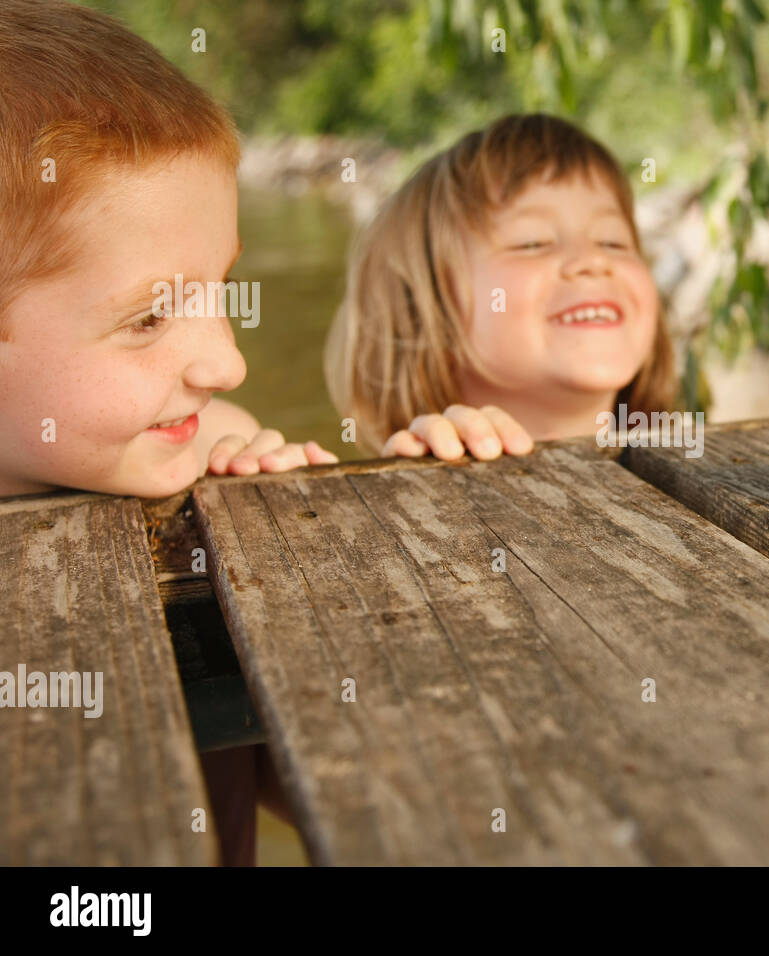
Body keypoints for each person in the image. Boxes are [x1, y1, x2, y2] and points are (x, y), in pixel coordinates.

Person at [0, 0, 338, 864]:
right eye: (151, 318)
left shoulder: (211, 440)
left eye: (219, 288)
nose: (226, 365)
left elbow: (306, 788)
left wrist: (267, 499)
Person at [325, 113, 678, 461]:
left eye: (613, 241)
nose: (593, 260)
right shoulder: (421, 471)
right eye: (533, 242)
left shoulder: (687, 458)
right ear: (423, 312)